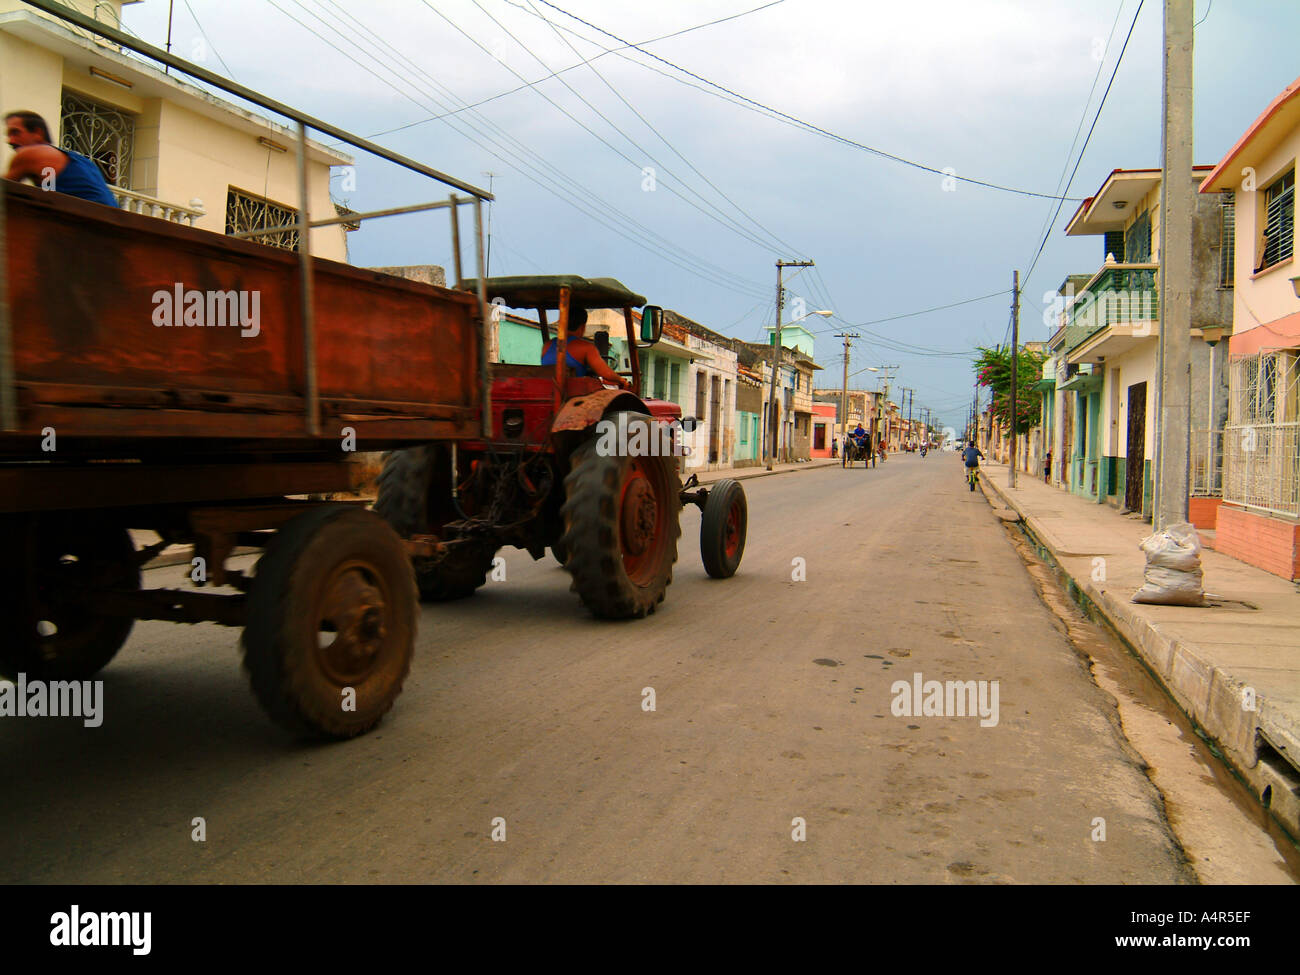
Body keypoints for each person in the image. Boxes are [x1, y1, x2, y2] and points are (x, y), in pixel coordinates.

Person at [5, 110, 119, 207]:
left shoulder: (30, 154)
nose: (10, 141)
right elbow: (49, 193)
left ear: (37, 133)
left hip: (89, 224)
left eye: (15, 132)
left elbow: (5, 188)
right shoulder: (80, 160)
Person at [541, 306, 631, 389]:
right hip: (573, 395)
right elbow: (606, 373)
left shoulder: (547, 346)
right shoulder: (586, 348)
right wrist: (621, 380)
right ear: (582, 326)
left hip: (546, 392)